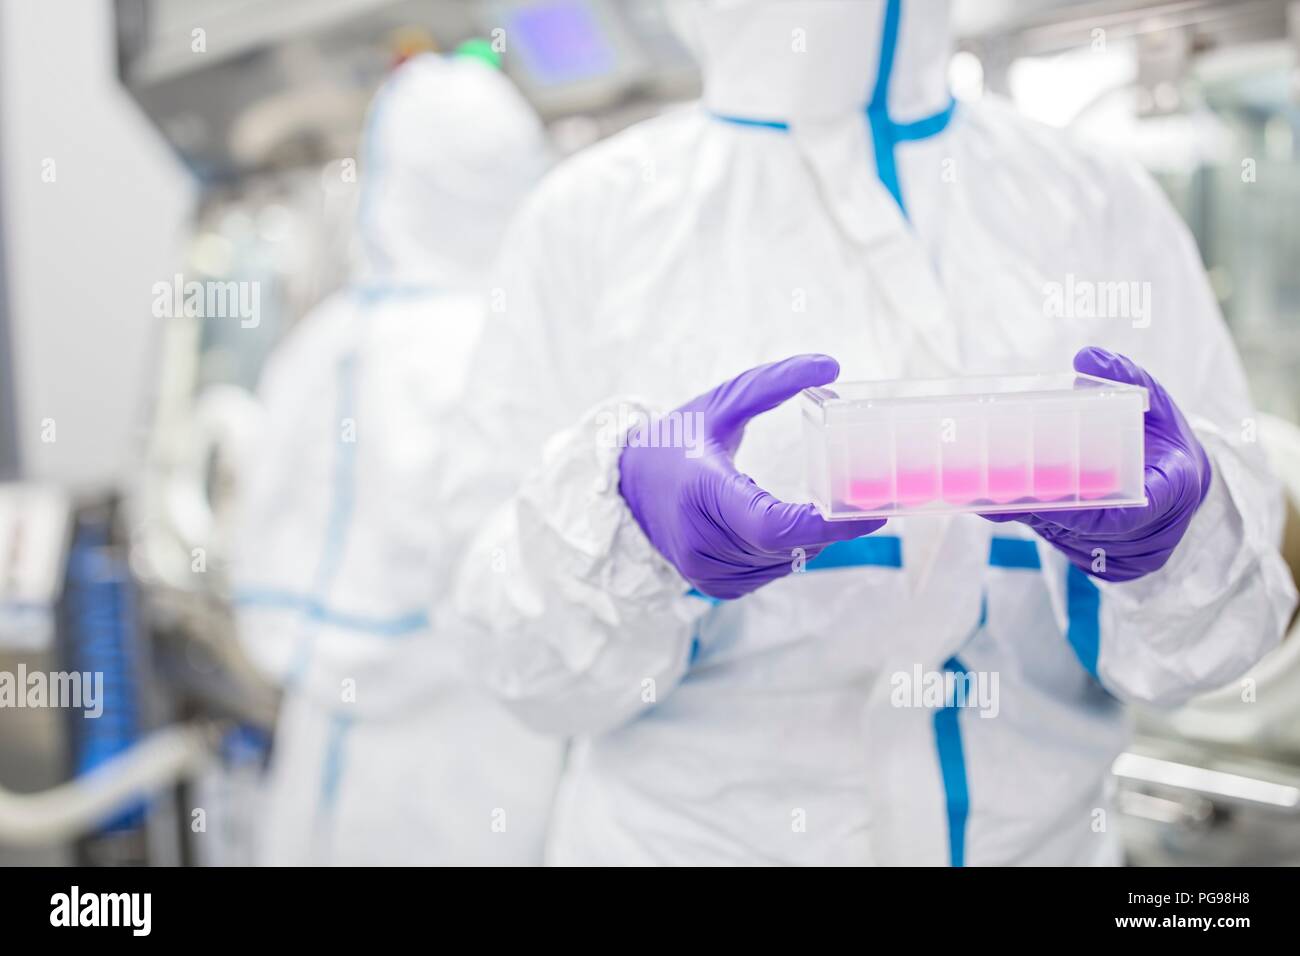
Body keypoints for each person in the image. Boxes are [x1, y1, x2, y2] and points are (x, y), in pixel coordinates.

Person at [447, 0, 1296, 865]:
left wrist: (1183, 545)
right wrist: (625, 529)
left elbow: (1229, 639)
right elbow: (510, 658)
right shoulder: (592, 219)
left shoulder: (1098, 202)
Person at [232, 47, 561, 865]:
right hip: (483, 742)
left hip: (336, 728)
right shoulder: (514, 349)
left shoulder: (327, 342)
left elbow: (261, 529)